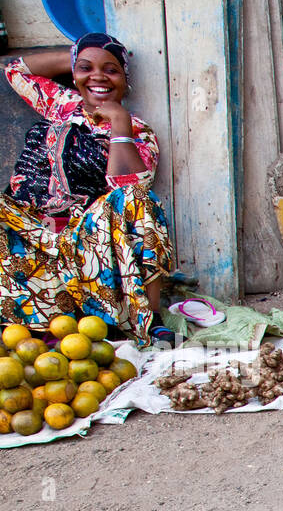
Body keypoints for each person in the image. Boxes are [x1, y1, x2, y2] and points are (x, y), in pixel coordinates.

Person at [0, 33, 173, 343]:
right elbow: (15, 70)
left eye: (111, 70)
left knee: (137, 198)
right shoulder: (62, 105)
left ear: (125, 80)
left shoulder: (138, 131)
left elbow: (133, 190)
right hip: (28, 236)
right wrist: (79, 58)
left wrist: (119, 124)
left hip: (86, 243)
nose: (98, 77)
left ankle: (151, 318)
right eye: (86, 69)